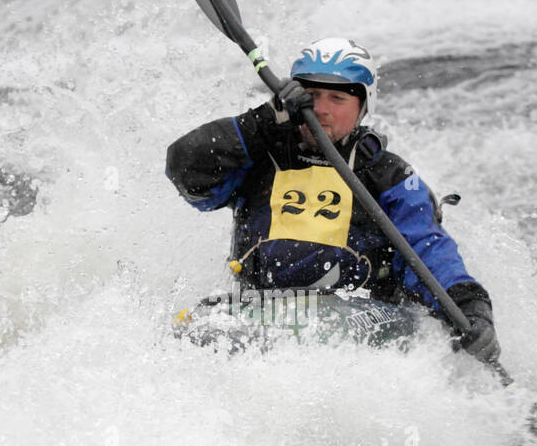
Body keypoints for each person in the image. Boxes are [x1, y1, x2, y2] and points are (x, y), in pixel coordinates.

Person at [164, 37, 499, 362]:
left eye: (337, 99)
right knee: (189, 333)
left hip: (363, 314)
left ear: (363, 106)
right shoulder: (259, 156)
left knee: (304, 335)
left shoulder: (388, 177)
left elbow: (428, 249)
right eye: (311, 96)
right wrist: (264, 120)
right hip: (263, 310)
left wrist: (470, 305)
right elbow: (185, 168)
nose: (321, 109)